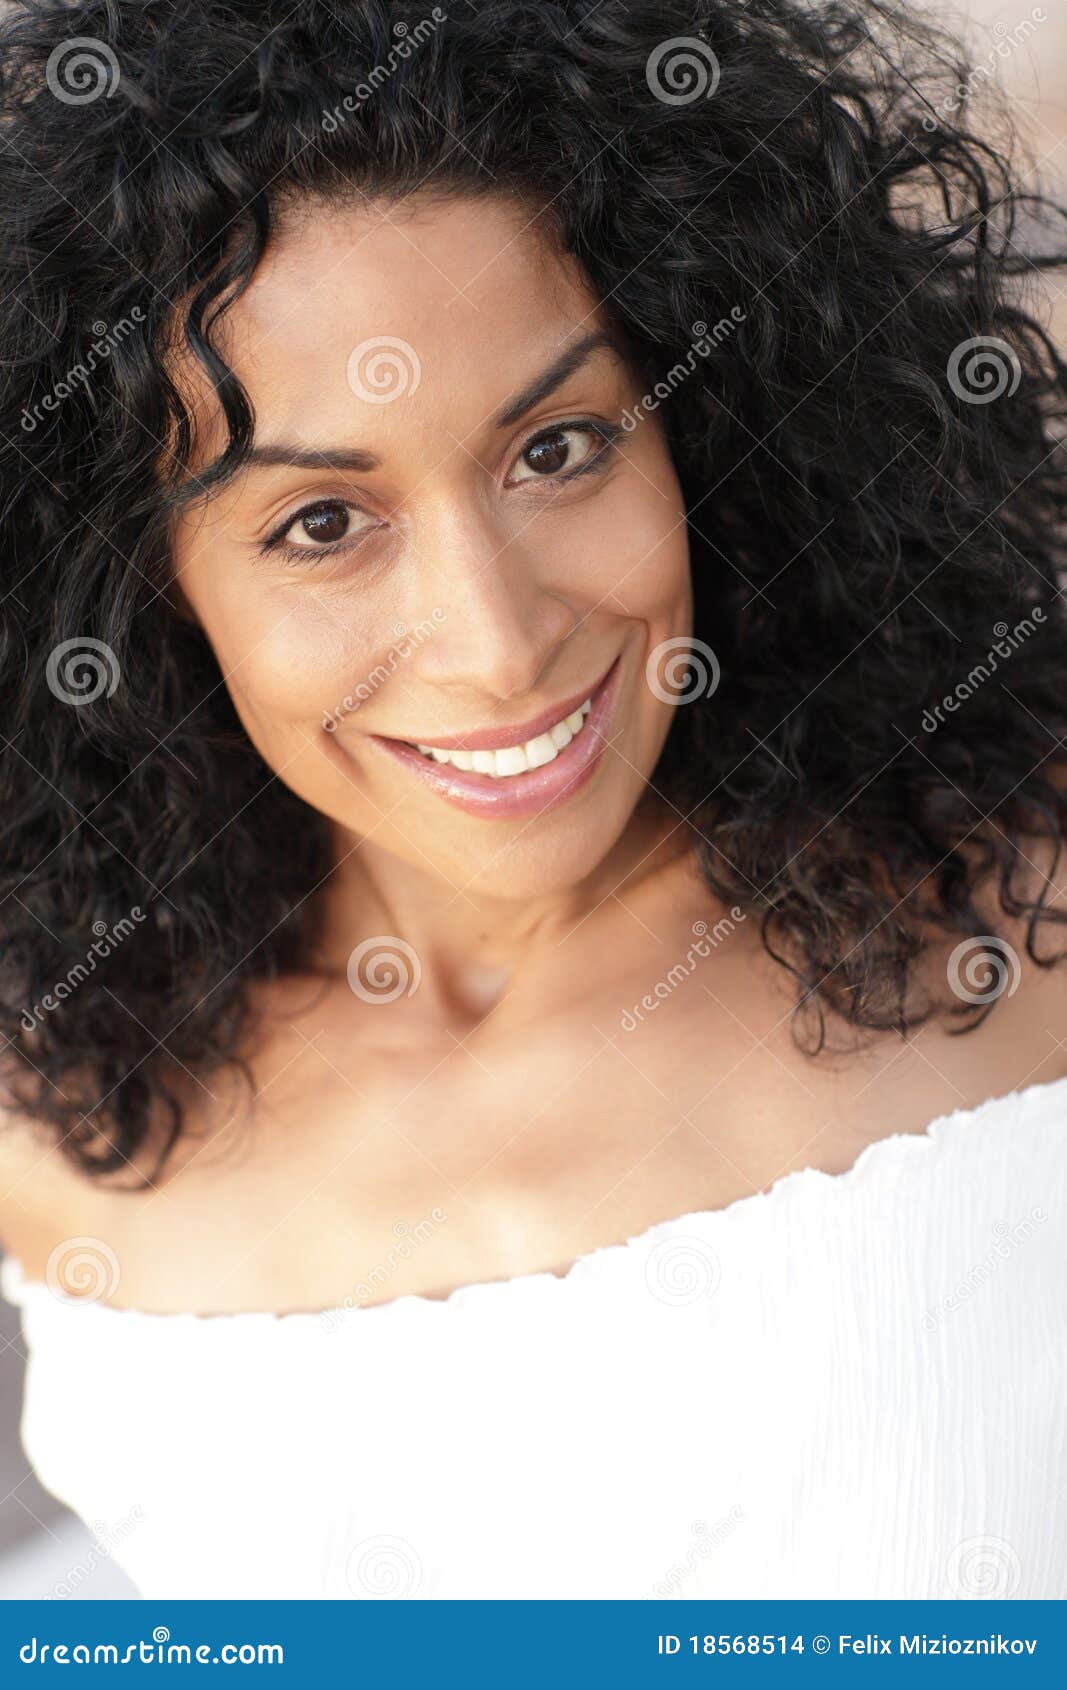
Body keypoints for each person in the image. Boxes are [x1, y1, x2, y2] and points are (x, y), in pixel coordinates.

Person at [0, 0, 1064, 1600]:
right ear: (148, 589)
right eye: (320, 524)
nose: (498, 646)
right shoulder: (55, 1113)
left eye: (560, 445)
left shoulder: (1025, 914)